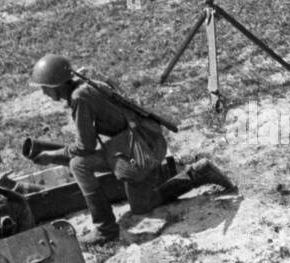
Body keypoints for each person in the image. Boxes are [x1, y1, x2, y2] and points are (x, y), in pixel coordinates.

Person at [30, 54, 236, 246]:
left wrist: (51, 157)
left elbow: (85, 147)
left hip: (142, 147)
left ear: (56, 85)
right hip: (141, 140)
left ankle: (106, 229)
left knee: (79, 165)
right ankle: (199, 173)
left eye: (44, 87)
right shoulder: (85, 86)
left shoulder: (79, 98)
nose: (43, 93)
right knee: (141, 206)